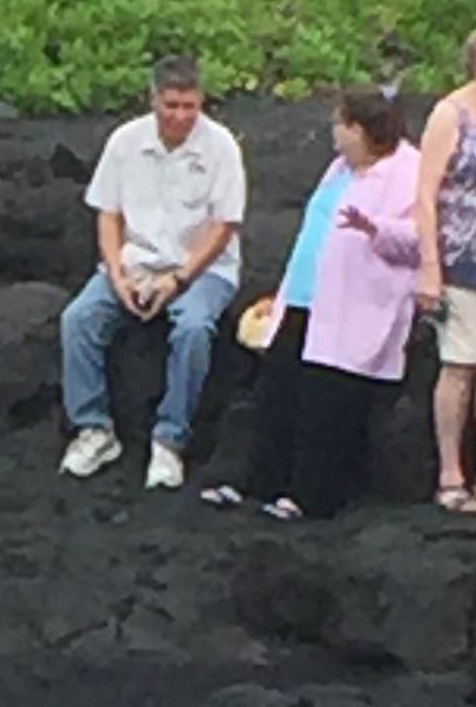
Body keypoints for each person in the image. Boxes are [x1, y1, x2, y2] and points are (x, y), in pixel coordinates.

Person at [200, 89, 420, 521]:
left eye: (339, 124)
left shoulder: (408, 171)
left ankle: (311, 497)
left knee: (327, 402)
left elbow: (421, 238)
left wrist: (376, 229)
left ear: (359, 129)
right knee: (277, 390)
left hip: (355, 304)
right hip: (304, 297)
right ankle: (259, 482)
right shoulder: (339, 168)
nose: (333, 133)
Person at [60, 55, 246, 489]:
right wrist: (116, 273)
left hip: (203, 267)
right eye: (171, 106)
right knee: (78, 319)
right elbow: (108, 214)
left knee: (194, 328)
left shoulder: (221, 147)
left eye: (189, 106)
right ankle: (93, 428)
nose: (180, 116)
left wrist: (179, 279)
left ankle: (170, 439)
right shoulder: (125, 142)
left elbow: (224, 227)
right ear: (153, 100)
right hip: (136, 261)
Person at [416, 30, 476, 510]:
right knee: (460, 366)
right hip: (461, 261)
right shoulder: (451, 114)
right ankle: (450, 475)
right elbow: (425, 194)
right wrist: (430, 268)